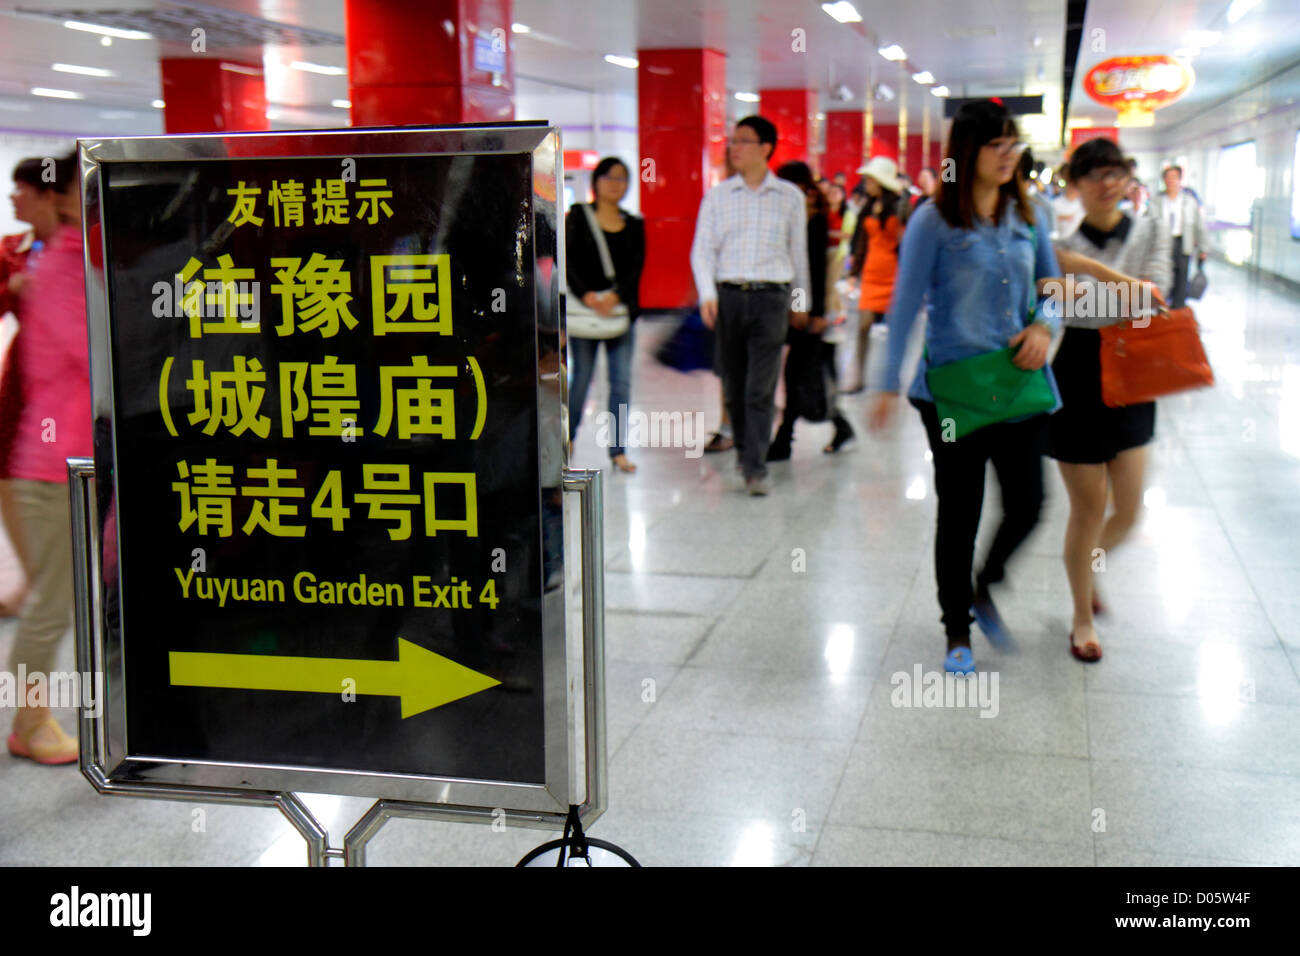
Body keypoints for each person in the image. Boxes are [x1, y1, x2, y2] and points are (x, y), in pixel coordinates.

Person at [869, 99, 1061, 675]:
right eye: (996, 146)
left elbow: (1051, 285)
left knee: (1029, 503)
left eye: (1014, 145)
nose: (1009, 157)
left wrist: (1045, 325)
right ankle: (958, 627)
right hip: (952, 393)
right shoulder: (934, 219)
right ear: (967, 152)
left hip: (1018, 384)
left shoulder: (1031, 215)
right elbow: (904, 304)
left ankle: (985, 583)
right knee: (961, 511)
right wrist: (884, 383)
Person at [1047, 138, 1172, 663]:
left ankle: (1087, 565)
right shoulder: (1057, 239)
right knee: (1088, 506)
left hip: (1133, 367)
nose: (1105, 184)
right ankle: (1081, 616)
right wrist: (1126, 293)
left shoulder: (1150, 229)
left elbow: (1157, 296)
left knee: (1130, 508)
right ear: (1074, 184)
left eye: (1114, 173)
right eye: (1093, 175)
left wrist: (1091, 278)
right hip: (1076, 370)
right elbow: (1055, 300)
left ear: (1127, 178)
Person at [1, 153, 89, 765]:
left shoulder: (74, 261)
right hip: (49, 466)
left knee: (62, 602)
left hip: (71, 463)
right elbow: (99, 360)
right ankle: (30, 723)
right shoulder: (59, 267)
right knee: (49, 608)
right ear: (61, 198)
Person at [690, 115, 809, 496]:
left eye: (743, 140)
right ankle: (744, 448)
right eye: (733, 140)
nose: (734, 147)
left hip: (772, 299)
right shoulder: (718, 196)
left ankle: (755, 466)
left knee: (761, 387)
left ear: (765, 148)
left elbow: (799, 255)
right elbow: (702, 251)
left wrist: (799, 301)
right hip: (728, 299)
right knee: (733, 387)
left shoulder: (790, 197)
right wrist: (707, 294)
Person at [0, 157, 66, 618]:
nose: (11, 197)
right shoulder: (10, 249)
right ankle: (36, 576)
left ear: (47, 195)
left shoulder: (81, 247)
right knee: (8, 471)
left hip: (70, 382)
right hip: (23, 381)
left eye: (20, 189)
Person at [767, 161, 855, 459]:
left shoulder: (815, 219)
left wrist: (813, 312)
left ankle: (784, 440)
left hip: (807, 311)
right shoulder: (786, 216)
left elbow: (814, 269)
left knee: (797, 375)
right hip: (787, 307)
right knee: (805, 374)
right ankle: (839, 424)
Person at [565, 156, 646, 474]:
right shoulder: (577, 218)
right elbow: (568, 261)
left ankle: (618, 450)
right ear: (596, 181)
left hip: (620, 312)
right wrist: (587, 295)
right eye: (610, 177)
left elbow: (635, 268)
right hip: (584, 312)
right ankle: (567, 440)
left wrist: (615, 296)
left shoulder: (634, 223)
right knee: (581, 378)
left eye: (622, 178)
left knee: (621, 383)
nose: (616, 184)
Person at [844, 156, 906, 393]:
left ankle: (892, 379)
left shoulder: (900, 207)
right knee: (863, 326)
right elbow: (861, 242)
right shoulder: (868, 208)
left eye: (870, 179)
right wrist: (854, 272)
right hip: (871, 273)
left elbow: (907, 243)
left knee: (895, 329)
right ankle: (859, 377)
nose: (866, 183)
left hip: (894, 273)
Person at [1151, 165, 1209, 308]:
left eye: (1174, 177)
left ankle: (1178, 308)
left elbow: (1199, 225)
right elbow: (1149, 224)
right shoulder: (1156, 201)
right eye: (1167, 177)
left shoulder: (1189, 201)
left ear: (1180, 180)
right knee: (1163, 275)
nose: (1170, 181)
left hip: (1182, 242)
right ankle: (1162, 306)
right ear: (1164, 180)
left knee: (1182, 277)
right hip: (1162, 243)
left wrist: (1203, 247)